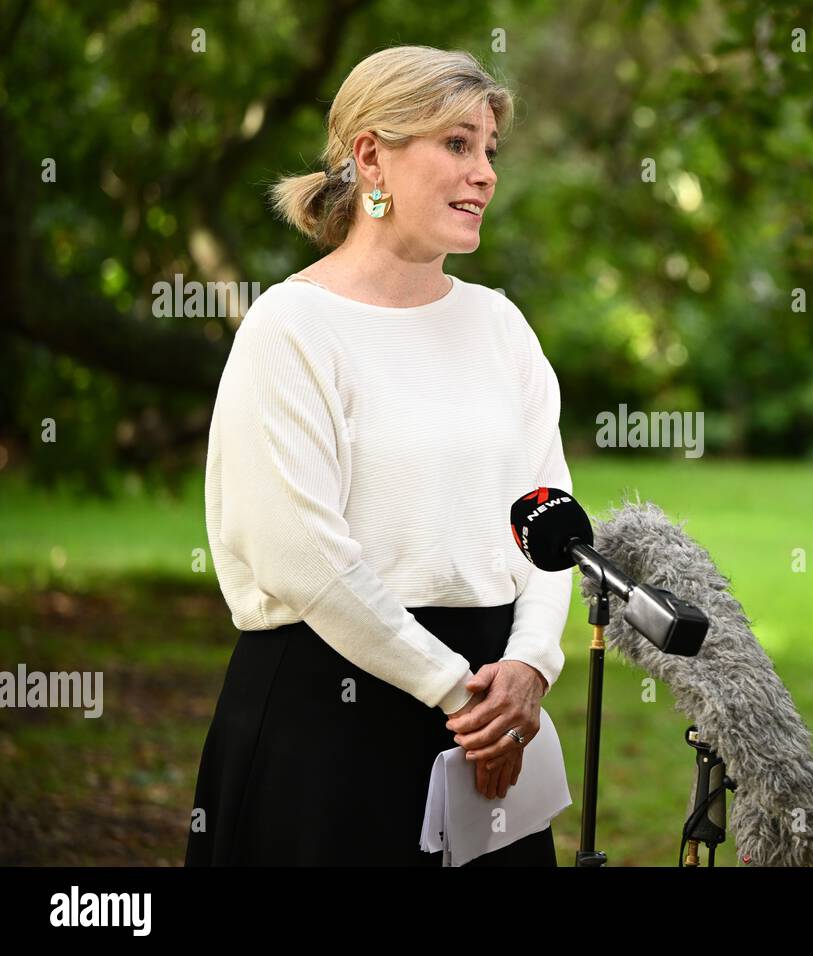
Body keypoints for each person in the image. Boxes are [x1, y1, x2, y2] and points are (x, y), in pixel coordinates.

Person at [185, 45, 574, 866]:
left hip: (496, 718)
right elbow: (306, 560)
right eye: (457, 145)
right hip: (329, 720)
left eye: (490, 150)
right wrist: (455, 691)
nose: (485, 173)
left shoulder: (500, 325)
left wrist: (530, 665)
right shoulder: (290, 330)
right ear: (371, 156)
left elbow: (551, 520)